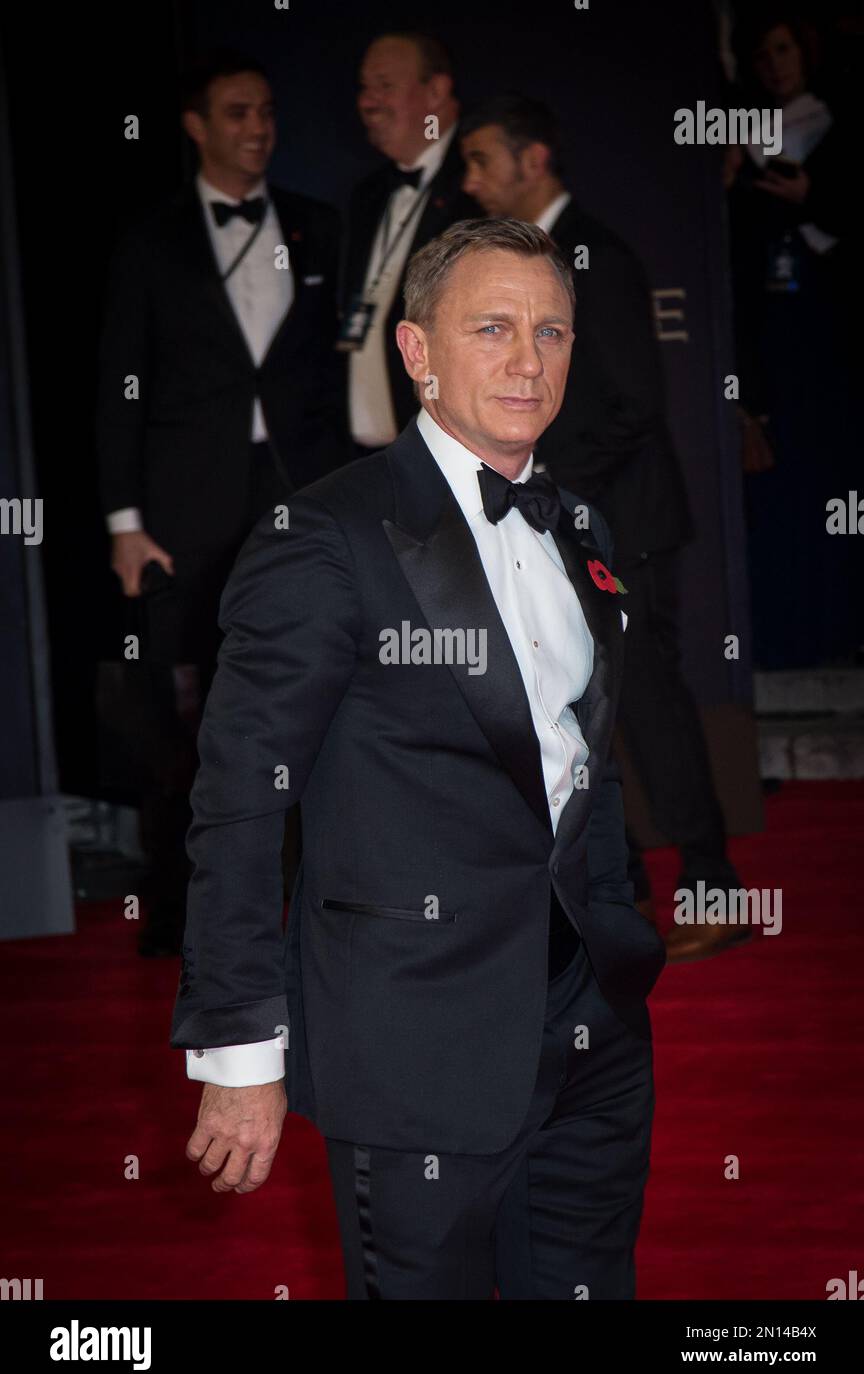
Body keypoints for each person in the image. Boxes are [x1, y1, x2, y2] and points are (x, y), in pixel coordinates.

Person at [172, 219, 667, 1301]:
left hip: (591, 1033)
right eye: (490, 328)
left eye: (550, 331)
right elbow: (240, 804)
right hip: (415, 1049)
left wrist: (620, 934)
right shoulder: (324, 536)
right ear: (415, 352)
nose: (527, 361)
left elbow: (579, 752)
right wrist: (240, 1050)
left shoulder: (578, 518)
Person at [460, 96, 747, 962]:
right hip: (576, 518)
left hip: (626, 523)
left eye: (480, 161)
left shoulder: (594, 257)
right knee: (588, 713)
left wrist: (544, 483)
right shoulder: (537, 258)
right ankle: (623, 896)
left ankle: (715, 889)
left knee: (648, 706)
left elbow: (634, 404)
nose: (467, 181)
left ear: (533, 160)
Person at [96, 49, 345, 955]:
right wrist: (124, 523)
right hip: (184, 509)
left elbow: (339, 374)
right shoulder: (150, 241)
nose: (258, 128)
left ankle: (326, 897)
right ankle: (178, 912)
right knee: (191, 716)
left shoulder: (319, 228)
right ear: (197, 126)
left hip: (299, 493)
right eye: (237, 112)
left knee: (325, 693)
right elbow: (119, 386)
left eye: (268, 111)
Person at [726, 12, 863, 668]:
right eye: (763, 54)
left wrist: (815, 197)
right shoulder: (742, 137)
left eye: (784, 49)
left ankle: (842, 632)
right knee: (783, 491)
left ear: (805, 53)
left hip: (831, 342)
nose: (775, 64)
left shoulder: (842, 125)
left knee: (839, 487)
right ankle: (787, 637)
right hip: (772, 347)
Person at [341, 31, 480, 453]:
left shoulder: (478, 187)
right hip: (366, 462)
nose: (367, 101)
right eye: (365, 88)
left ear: (436, 91)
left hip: (454, 454)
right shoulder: (366, 196)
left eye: (385, 86)